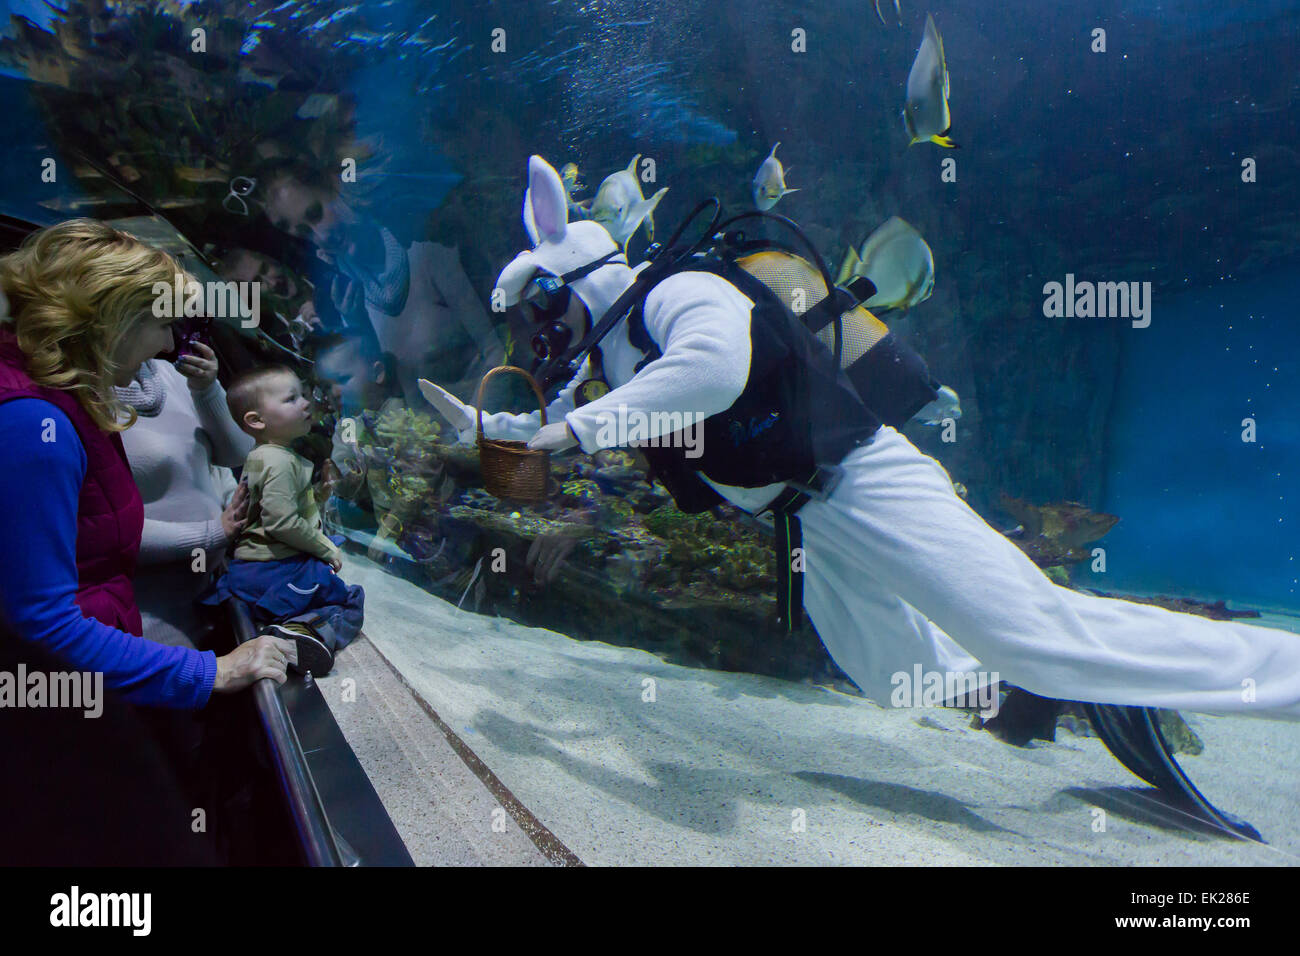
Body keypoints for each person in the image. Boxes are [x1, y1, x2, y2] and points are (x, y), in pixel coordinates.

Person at [420, 156, 1300, 720]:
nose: (537, 334)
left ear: (574, 276)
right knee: (892, 673)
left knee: (1034, 634)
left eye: (538, 307)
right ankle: (1047, 685)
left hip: (863, 480)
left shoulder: (675, 292)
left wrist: (568, 435)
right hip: (808, 517)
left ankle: (1258, 673)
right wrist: (492, 430)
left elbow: (712, 373)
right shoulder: (609, 346)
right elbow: (555, 416)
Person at [0, 219, 296, 707]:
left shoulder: (69, 399)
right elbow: (41, 622)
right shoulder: (33, 424)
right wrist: (212, 671)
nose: (165, 344)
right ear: (111, 320)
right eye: (160, 323)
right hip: (64, 710)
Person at [202, 364, 365, 675]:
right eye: (291, 399)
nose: (305, 403)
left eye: (302, 396)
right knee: (349, 600)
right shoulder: (278, 461)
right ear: (256, 420)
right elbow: (282, 523)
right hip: (273, 570)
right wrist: (324, 547)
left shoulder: (262, 455)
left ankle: (281, 617)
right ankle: (301, 633)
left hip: (252, 569)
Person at [115, 341, 254, 649]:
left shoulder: (170, 374)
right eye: (163, 325)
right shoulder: (76, 397)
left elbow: (233, 454)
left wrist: (207, 390)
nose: (168, 342)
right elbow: (96, 528)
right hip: (152, 617)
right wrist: (212, 532)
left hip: (210, 594)